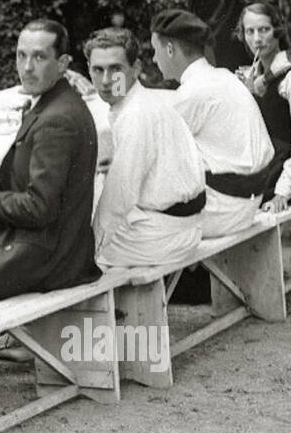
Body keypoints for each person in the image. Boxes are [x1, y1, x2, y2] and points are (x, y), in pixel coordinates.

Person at [0, 20, 100, 309]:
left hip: (33, 256)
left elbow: (40, 208)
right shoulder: (54, 101)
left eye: (40, 57)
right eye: (21, 55)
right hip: (34, 239)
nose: (27, 67)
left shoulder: (57, 120)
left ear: (63, 63)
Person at [85, 28, 206, 269]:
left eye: (115, 69)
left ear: (136, 69)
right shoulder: (137, 101)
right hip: (178, 223)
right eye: (98, 70)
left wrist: (90, 246)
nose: (106, 80)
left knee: (68, 252)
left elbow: (119, 198)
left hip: (164, 234)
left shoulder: (135, 113)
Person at [151, 8, 275, 238]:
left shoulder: (193, 92)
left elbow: (154, 153)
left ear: (169, 49)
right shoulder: (223, 76)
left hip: (223, 212)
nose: (153, 59)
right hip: (248, 202)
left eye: (155, 50)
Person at [234, 1, 291, 212]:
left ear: (277, 31)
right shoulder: (257, 74)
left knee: (242, 206)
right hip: (267, 162)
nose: (257, 39)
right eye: (249, 31)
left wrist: (282, 192)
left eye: (264, 30)